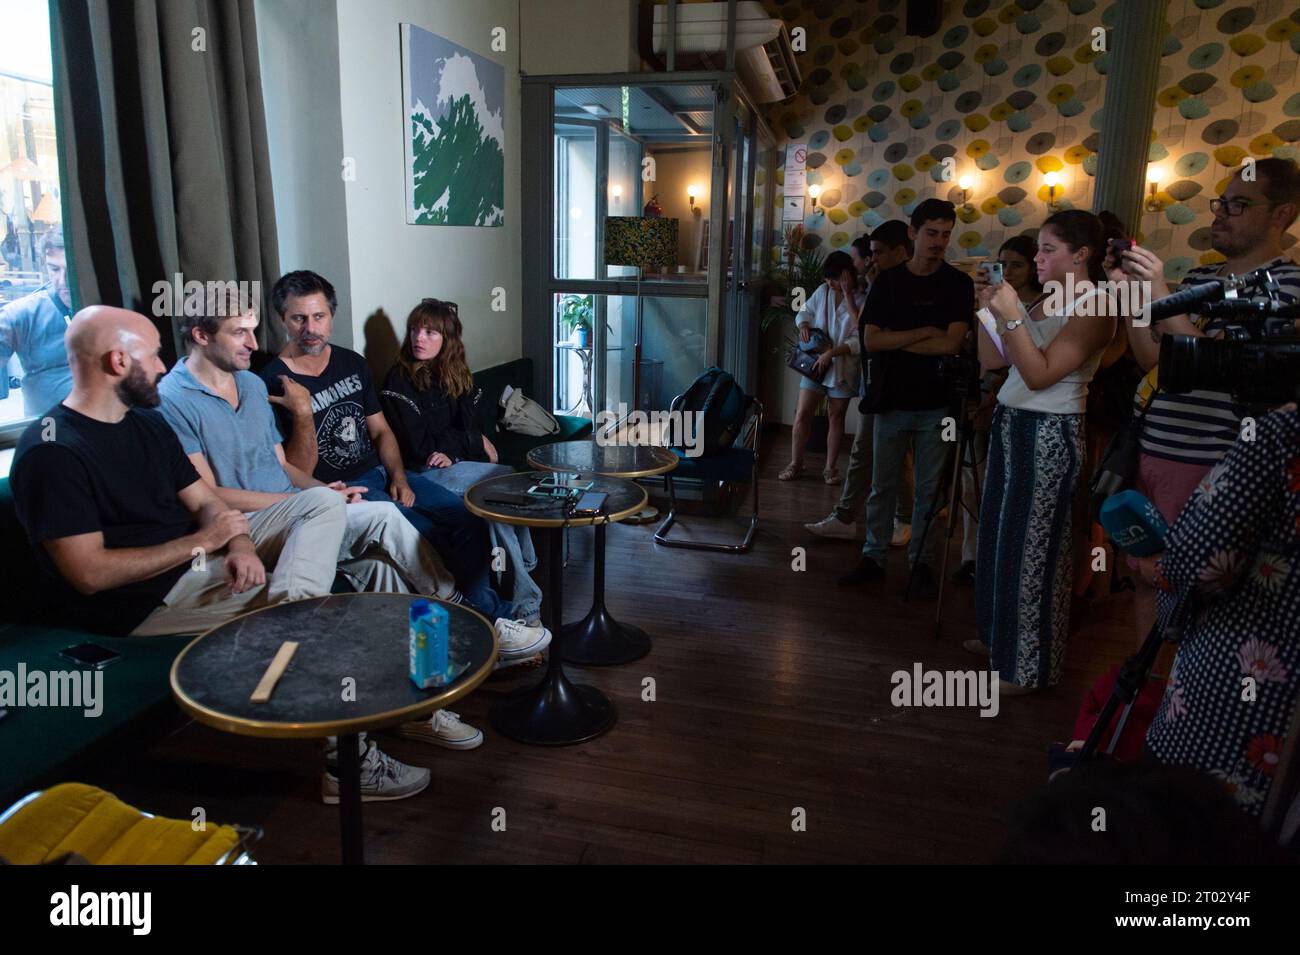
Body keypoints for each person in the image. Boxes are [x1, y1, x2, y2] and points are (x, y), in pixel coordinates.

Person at [9, 305, 437, 803]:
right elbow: (89, 575)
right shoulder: (53, 451)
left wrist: (237, 542)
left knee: (327, 510)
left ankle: (403, 703)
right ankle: (348, 768)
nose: (165, 366)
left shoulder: (143, 424)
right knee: (336, 607)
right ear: (118, 361)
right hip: (143, 603)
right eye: (153, 355)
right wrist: (204, 544)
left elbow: (207, 501)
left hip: (200, 565)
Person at [156, 284, 513, 757]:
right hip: (249, 526)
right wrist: (316, 497)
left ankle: (420, 705)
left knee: (387, 563)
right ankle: (476, 615)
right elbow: (207, 495)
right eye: (239, 331)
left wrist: (318, 492)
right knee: (364, 522)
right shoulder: (175, 398)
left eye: (252, 329)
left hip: (305, 505)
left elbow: (283, 466)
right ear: (200, 335)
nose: (250, 340)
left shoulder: (248, 383)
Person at [260, 270, 548, 653]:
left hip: (384, 473)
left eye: (318, 317)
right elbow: (292, 468)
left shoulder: (351, 363)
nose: (310, 328)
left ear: (331, 316)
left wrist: (399, 476)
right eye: (299, 318)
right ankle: (489, 620)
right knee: (426, 533)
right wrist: (302, 416)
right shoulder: (269, 381)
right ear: (282, 319)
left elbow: (381, 432)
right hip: (339, 493)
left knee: (469, 517)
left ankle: (489, 617)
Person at [1107, 157, 1300, 647]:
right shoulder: (1197, 278)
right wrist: (1137, 302)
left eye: (1239, 204)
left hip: (1218, 463)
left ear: (1282, 215)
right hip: (1157, 453)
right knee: (1145, 578)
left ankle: (1187, 711)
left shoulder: (1289, 287)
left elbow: (1228, 366)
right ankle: (1148, 709)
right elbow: (1156, 360)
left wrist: (1158, 294)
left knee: (1202, 594)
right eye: (1221, 202)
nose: (1221, 213)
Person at [972, 210, 1117, 694]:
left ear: (1081, 255)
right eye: (1037, 249)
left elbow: (1039, 374)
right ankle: (1001, 641)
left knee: (1035, 553)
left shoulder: (1095, 306)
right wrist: (986, 309)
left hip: (1051, 432)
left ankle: (1029, 667)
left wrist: (1010, 310)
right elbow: (994, 359)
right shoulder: (1042, 302)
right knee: (999, 541)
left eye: (1048, 249)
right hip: (1011, 425)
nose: (1036, 258)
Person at [1138, 404, 1300, 818]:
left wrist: (1159, 580)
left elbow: (1200, 561)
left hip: (1243, 712)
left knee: (1187, 831)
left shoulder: (1281, 435)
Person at [838, 199, 972, 595]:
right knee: (883, 485)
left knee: (930, 491)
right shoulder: (890, 282)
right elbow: (872, 340)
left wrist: (904, 342)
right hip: (891, 398)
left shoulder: (957, 284)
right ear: (913, 232)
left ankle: (920, 564)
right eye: (931, 232)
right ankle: (873, 556)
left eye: (946, 234)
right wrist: (923, 333)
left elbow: (951, 345)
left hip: (937, 402)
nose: (939, 242)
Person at [379, 298, 544, 618]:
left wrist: (458, 448)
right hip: (421, 471)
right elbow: (418, 447)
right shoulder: (398, 380)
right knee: (492, 494)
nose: (419, 338)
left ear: (448, 339)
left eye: (430, 332)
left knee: (508, 478)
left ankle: (521, 568)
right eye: (415, 330)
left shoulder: (456, 373)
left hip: (453, 463)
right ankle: (526, 606)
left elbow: (471, 430)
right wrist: (465, 444)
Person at [806, 220, 914, 540]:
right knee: (862, 451)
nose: (865, 262)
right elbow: (868, 336)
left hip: (898, 381)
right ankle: (846, 517)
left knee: (898, 453)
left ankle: (903, 520)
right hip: (873, 377)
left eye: (871, 255)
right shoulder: (875, 285)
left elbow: (866, 334)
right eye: (867, 256)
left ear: (898, 251)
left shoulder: (895, 286)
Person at [952, 235, 1041, 584]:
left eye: (1018, 264)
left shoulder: (1044, 302)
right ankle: (972, 556)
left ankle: (1003, 562)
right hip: (985, 393)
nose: (1010, 271)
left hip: (1021, 399)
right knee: (972, 480)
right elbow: (985, 355)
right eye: (1004, 264)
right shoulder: (993, 301)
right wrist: (984, 304)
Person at [778, 251, 864, 484]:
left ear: (847, 276)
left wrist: (832, 353)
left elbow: (860, 338)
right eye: (828, 279)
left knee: (836, 416)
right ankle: (796, 463)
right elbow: (804, 310)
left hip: (843, 367)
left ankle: (830, 468)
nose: (830, 283)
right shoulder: (823, 291)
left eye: (835, 279)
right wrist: (804, 323)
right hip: (815, 364)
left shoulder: (861, 298)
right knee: (802, 413)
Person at [0, 230, 73, 416]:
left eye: (71, 269)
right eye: (54, 269)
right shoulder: (21, 315)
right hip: (50, 434)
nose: (62, 281)